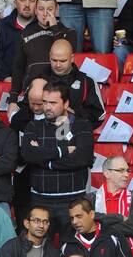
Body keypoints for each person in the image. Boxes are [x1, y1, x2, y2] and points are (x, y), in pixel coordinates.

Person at [19, 81, 94, 237]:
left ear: (66, 103)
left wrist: (45, 159)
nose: (46, 107)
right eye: (44, 102)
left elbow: (82, 159)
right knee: (39, 249)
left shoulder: (81, 125)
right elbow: (28, 155)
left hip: (73, 201)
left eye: (52, 103)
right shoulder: (34, 126)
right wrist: (63, 151)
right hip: (40, 201)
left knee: (71, 249)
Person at [11, 0, 78, 100]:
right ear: (35, 10)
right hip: (33, 92)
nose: (45, 13)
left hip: (60, 93)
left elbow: (63, 50)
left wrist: (55, 28)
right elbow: (18, 68)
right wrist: (13, 99)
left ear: (56, 10)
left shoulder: (70, 33)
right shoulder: (24, 34)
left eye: (50, 9)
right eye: (41, 9)